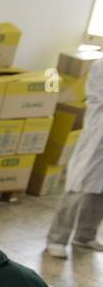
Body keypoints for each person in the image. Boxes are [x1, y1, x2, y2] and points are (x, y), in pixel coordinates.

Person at [46, 57, 103, 258]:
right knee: (78, 188)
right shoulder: (100, 65)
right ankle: (57, 239)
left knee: (99, 193)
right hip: (97, 139)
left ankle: (85, 236)